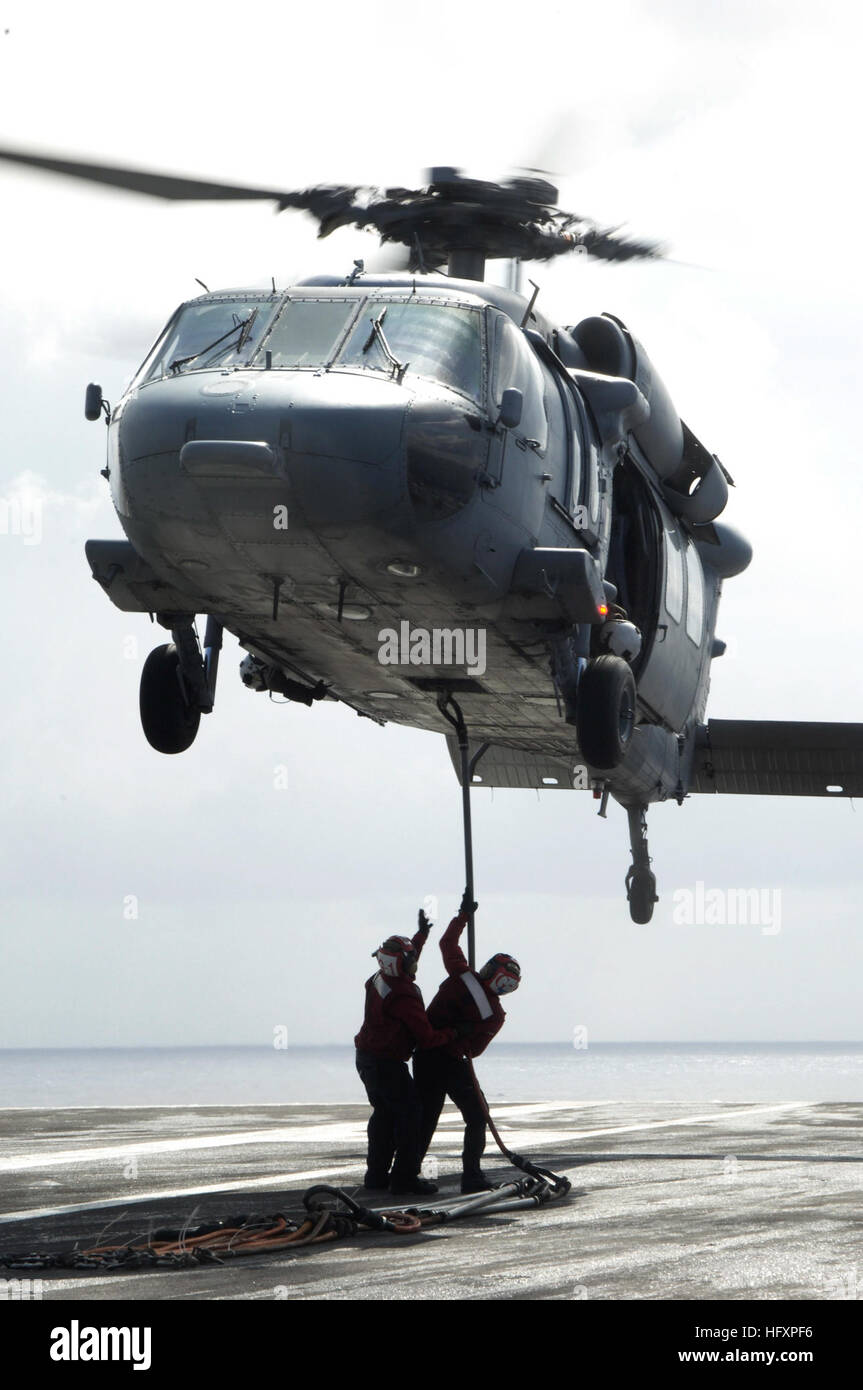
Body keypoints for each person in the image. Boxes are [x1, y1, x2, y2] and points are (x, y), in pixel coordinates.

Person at [354, 910, 473, 1196]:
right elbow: (428, 1038)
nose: (414, 964)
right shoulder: (404, 995)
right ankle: (405, 1178)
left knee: (383, 1116)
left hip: (367, 1060)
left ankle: (376, 1176)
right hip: (387, 1064)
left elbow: (405, 957)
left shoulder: (377, 979)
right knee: (410, 1116)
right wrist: (457, 1033)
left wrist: (421, 935)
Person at [414, 892, 521, 1193]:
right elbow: (475, 1050)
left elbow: (446, 943)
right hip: (451, 1062)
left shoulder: (462, 976)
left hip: (424, 1055)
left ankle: (406, 1173)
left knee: (425, 1117)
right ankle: (471, 1175)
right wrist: (460, 1036)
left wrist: (463, 915)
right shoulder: (495, 1014)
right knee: (477, 1116)